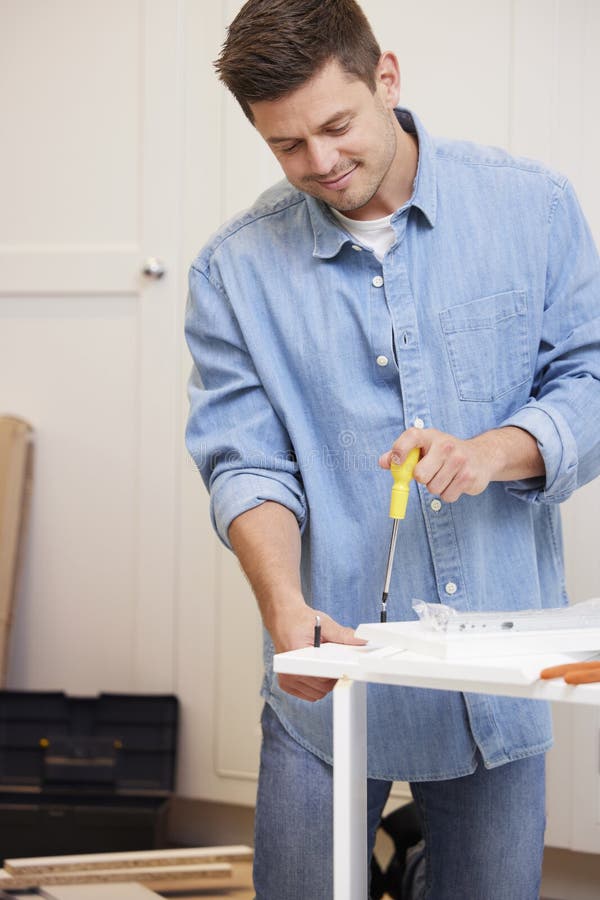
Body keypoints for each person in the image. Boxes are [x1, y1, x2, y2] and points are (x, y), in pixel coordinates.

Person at [184, 1, 600, 897]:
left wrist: (499, 449)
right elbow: (244, 462)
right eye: (287, 147)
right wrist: (284, 607)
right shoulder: (233, 271)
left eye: (336, 126)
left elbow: (592, 380)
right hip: (325, 674)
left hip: (497, 682)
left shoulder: (532, 209)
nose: (321, 165)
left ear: (388, 79)